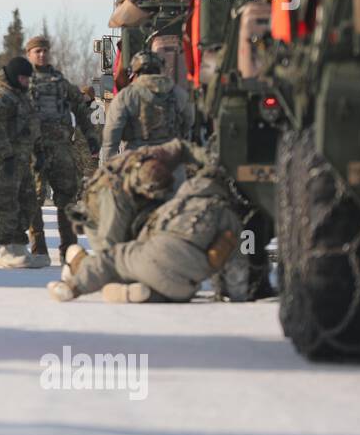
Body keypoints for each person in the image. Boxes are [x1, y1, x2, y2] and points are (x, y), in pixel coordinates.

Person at [48, 168, 245, 304]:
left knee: (113, 258)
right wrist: (236, 292)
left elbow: (147, 234)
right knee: (174, 290)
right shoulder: (229, 218)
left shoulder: (173, 206)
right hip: (185, 284)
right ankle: (145, 293)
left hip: (152, 255)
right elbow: (235, 269)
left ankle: (74, 286)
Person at [24, 35, 99, 266]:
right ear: (29, 54)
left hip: (61, 149)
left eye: (45, 50)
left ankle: (69, 249)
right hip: (34, 149)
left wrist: (92, 137)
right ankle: (38, 249)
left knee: (67, 198)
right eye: (37, 51)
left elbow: (81, 107)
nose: (42, 54)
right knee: (33, 199)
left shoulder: (60, 82)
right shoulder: (22, 81)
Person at [72, 138, 205, 253]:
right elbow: (110, 251)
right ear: (142, 190)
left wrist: (208, 159)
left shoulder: (156, 155)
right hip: (98, 219)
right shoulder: (116, 197)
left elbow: (181, 146)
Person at [0, 56, 41, 268]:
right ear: (15, 77)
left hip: (22, 159)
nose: (27, 82)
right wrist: (5, 156)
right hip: (3, 161)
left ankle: (18, 245)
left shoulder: (21, 96)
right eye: (24, 78)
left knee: (27, 202)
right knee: (6, 203)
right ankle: (5, 249)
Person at [99, 51, 194, 162]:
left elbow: (112, 133)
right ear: (160, 69)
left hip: (137, 162)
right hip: (172, 161)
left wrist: (109, 166)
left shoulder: (126, 96)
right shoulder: (178, 93)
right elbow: (189, 121)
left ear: (135, 72)